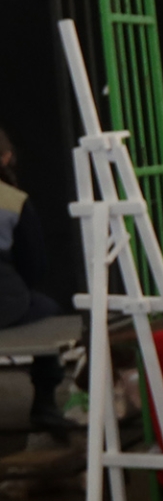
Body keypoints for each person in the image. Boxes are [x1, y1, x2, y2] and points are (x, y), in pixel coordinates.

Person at [0, 128, 67, 432]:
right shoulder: (14, 201)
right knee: (48, 311)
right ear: (7, 157)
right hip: (6, 302)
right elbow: (35, 266)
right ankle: (45, 404)